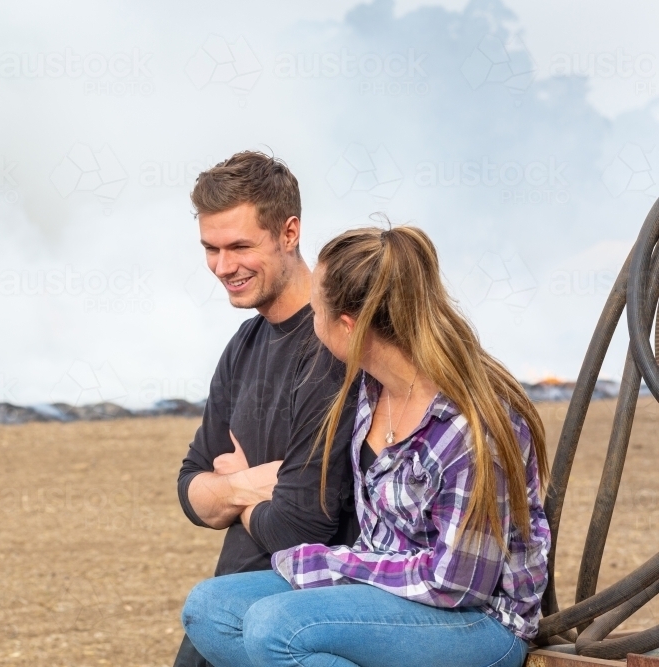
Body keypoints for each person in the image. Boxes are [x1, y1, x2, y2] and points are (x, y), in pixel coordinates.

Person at [181, 224, 551, 667]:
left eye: (316, 311)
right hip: (388, 590)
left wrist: (335, 565)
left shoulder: (468, 429)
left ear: (348, 327)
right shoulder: (370, 394)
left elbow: (456, 584)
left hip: (478, 621)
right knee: (209, 611)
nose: (309, 322)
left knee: (277, 629)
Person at [173, 152, 360, 667]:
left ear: (290, 231)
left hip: (297, 621)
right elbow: (191, 490)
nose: (223, 266)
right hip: (227, 609)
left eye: (239, 246)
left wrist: (232, 491)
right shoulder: (245, 344)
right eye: (211, 248)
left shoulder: (334, 345)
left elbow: (301, 527)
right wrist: (249, 484)